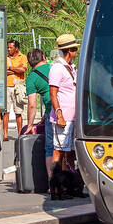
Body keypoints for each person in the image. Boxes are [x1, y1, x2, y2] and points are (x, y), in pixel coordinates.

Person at [48, 34, 80, 175]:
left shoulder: (72, 67)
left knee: (70, 151)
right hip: (63, 117)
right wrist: (59, 115)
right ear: (70, 51)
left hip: (73, 117)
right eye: (75, 49)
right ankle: (55, 185)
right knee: (59, 150)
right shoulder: (57, 68)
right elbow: (53, 93)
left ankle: (68, 183)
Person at [23, 47, 51, 139]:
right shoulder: (54, 67)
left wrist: (30, 124)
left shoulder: (32, 77)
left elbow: (32, 105)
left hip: (53, 113)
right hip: (71, 110)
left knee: (51, 147)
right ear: (43, 57)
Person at [4, 39, 28, 142]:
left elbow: (22, 69)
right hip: (7, 86)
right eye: (8, 47)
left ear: (16, 48)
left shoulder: (23, 57)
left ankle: (19, 134)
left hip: (18, 87)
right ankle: (5, 134)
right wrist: (15, 69)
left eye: (11, 47)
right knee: (6, 111)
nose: (9, 49)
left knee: (19, 111)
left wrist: (10, 68)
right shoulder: (5, 57)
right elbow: (4, 70)